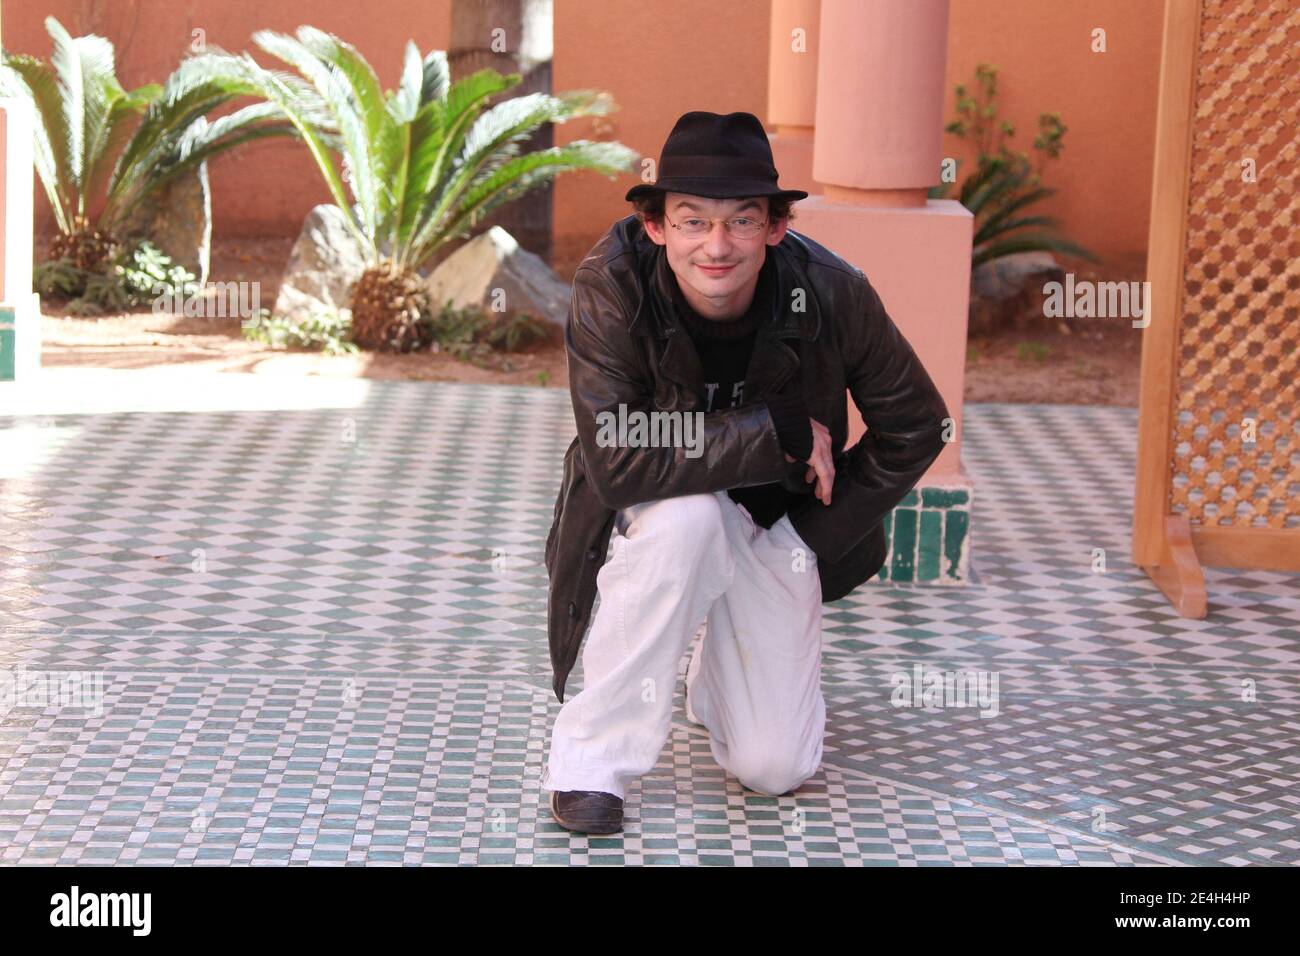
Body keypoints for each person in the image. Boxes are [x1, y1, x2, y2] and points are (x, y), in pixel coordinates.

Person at [542, 111, 950, 834]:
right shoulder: (611, 285)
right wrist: (774, 432)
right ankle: (591, 762)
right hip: (661, 504)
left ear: (776, 227)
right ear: (656, 225)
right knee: (689, 524)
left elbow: (919, 424)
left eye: (742, 221)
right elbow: (615, 451)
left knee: (775, 768)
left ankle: (714, 686)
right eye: (693, 221)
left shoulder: (830, 291)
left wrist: (808, 533)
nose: (717, 246)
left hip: (776, 517)